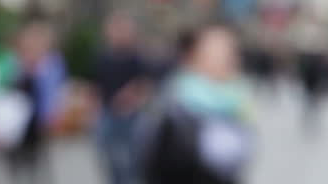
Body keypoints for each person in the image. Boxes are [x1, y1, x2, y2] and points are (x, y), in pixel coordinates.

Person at [139, 25, 253, 184]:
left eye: (233, 51)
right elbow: (152, 165)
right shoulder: (174, 103)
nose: (232, 58)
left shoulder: (235, 98)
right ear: (194, 56)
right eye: (222, 51)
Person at [93, 12, 150, 184]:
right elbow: (95, 85)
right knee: (110, 158)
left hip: (130, 115)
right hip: (107, 112)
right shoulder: (102, 57)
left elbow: (144, 85)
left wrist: (130, 96)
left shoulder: (136, 58)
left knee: (129, 161)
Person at [8, 22, 66, 184]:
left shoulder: (52, 62)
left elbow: (57, 91)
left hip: (40, 118)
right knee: (17, 160)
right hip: (17, 120)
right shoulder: (16, 61)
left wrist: (55, 115)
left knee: (39, 160)